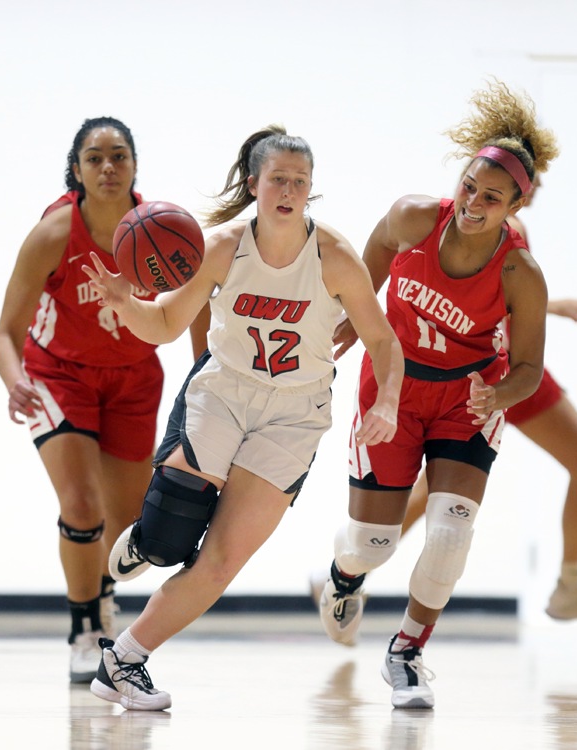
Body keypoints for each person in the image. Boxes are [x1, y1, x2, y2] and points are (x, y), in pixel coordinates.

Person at [84, 125, 403, 711]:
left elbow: (384, 341)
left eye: (300, 182)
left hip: (295, 414)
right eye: (278, 178)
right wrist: (124, 302)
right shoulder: (223, 246)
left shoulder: (333, 255)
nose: (288, 190)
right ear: (254, 183)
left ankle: (121, 662)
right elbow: (162, 325)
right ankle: (150, 538)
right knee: (169, 538)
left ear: (311, 190)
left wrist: (386, 402)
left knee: (220, 561)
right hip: (224, 392)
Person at [318, 79, 559, 709]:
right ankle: (344, 578)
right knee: (374, 543)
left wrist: (498, 395)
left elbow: (531, 368)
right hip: (391, 388)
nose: (474, 202)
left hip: (464, 398)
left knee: (452, 535)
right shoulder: (413, 217)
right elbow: (369, 248)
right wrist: (358, 309)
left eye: (492, 197)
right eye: (470, 187)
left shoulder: (520, 272)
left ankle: (407, 651)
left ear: (515, 209)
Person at [0, 117, 178, 684]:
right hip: (59, 373)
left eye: (118, 156)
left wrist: (201, 371)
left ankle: (101, 596)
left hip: (133, 376)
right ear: (76, 169)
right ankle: (84, 627)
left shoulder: (162, 232)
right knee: (80, 506)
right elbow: (5, 332)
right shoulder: (54, 234)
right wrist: (13, 380)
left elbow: (196, 303)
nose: (107, 167)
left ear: (135, 166)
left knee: (126, 531)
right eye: (94, 158)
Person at [397, 187, 577, 625]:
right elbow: (485, 303)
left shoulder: (462, 223)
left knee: (436, 491)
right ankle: (571, 586)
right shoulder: (508, 227)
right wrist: (551, 307)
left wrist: (551, 306)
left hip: (484, 373)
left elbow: (485, 300)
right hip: (501, 376)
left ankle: (351, 565)